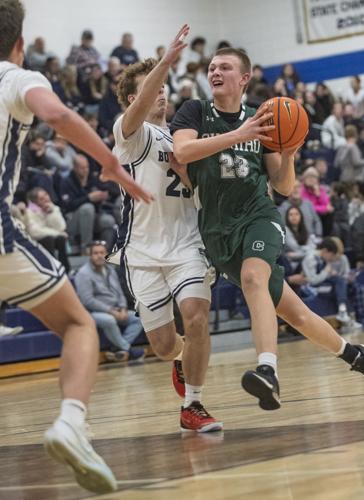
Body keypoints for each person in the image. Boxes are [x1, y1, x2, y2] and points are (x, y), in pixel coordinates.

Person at [170, 47, 364, 413]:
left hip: (259, 216)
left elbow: (284, 186)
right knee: (298, 315)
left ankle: (267, 371)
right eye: (212, 67)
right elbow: (182, 153)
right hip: (216, 230)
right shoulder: (194, 111)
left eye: (225, 67)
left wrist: (289, 152)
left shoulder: (265, 116)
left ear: (243, 78)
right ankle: (356, 355)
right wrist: (239, 134)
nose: (215, 71)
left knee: (253, 279)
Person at [0, 0, 152, 493]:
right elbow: (59, 113)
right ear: (20, 45)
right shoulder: (18, 78)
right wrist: (109, 162)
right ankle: (71, 422)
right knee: (78, 323)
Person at [107, 25, 222, 432]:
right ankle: (179, 357)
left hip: (187, 243)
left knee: (196, 317)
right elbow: (137, 110)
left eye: (163, 85)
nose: (161, 92)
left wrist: (190, 174)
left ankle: (193, 405)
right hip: (141, 252)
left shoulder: (185, 135)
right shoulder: (130, 135)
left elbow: (199, 194)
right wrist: (166, 60)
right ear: (131, 99)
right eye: (150, 87)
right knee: (162, 345)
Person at [75, 242, 144, 361]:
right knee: (109, 320)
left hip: (116, 310)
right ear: (90, 255)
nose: (99, 256)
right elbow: (87, 300)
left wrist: (123, 308)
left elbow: (119, 292)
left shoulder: (110, 270)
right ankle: (128, 349)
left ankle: (118, 348)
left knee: (138, 318)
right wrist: (111, 311)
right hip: (92, 312)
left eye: (102, 252)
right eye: (96, 253)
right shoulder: (83, 273)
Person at [25, 187, 70, 272]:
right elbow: (34, 232)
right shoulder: (29, 212)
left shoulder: (54, 208)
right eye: (42, 198)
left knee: (61, 239)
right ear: (35, 202)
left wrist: (51, 213)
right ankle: (52, 268)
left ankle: (66, 268)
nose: (46, 199)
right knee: (49, 239)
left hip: (53, 237)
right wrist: (57, 233)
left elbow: (62, 227)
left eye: (46, 195)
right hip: (37, 240)